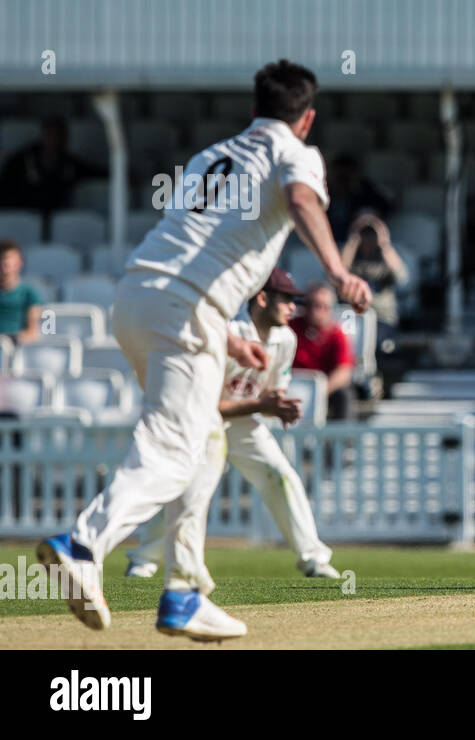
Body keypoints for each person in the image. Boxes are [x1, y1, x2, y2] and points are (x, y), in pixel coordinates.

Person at [36, 60, 372, 642]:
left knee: (192, 445)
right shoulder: (295, 153)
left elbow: (194, 251)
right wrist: (338, 270)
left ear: (253, 110)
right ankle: (83, 543)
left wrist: (226, 332)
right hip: (183, 311)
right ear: (307, 119)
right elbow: (301, 200)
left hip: (139, 296)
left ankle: (185, 593)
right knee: (173, 452)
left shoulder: (211, 156)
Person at [125, 269, 341, 581]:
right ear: (262, 298)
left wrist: (277, 407)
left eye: (295, 300)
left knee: (279, 475)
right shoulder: (228, 333)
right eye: (286, 300)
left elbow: (270, 393)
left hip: (242, 421)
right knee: (187, 488)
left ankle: (314, 559)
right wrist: (262, 405)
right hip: (201, 420)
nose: (294, 307)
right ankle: (144, 559)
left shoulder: (285, 339)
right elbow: (204, 402)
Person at [0, 117, 103, 229]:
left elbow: (93, 172)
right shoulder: (22, 160)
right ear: (43, 136)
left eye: (59, 136)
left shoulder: (69, 164)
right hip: (24, 217)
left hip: (57, 219)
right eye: (50, 135)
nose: (54, 140)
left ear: (65, 139)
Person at [340, 211, 408, 344]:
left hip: (382, 317)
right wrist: (353, 240)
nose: (368, 238)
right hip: (353, 315)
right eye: (365, 234)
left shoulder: (387, 256)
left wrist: (384, 243)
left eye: (371, 234)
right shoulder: (350, 255)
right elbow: (337, 274)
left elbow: (402, 278)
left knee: (375, 342)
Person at [291, 283, 356, 421]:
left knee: (344, 396)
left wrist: (318, 392)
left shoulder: (337, 334)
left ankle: (341, 439)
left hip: (323, 390)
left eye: (322, 306)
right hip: (290, 387)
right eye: (312, 305)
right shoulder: (290, 329)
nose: (316, 311)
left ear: (331, 309)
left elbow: (344, 372)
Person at [325, 153, 392, 243]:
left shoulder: (367, 196)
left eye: (347, 178)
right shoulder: (320, 195)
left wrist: (359, 189)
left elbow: (386, 208)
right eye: (339, 178)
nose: (343, 183)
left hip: (356, 246)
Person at [0, 239, 42, 344]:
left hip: (16, 349)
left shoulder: (29, 293)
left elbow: (33, 332)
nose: (5, 264)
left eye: (9, 259)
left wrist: (9, 340)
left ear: (19, 263)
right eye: (2, 259)